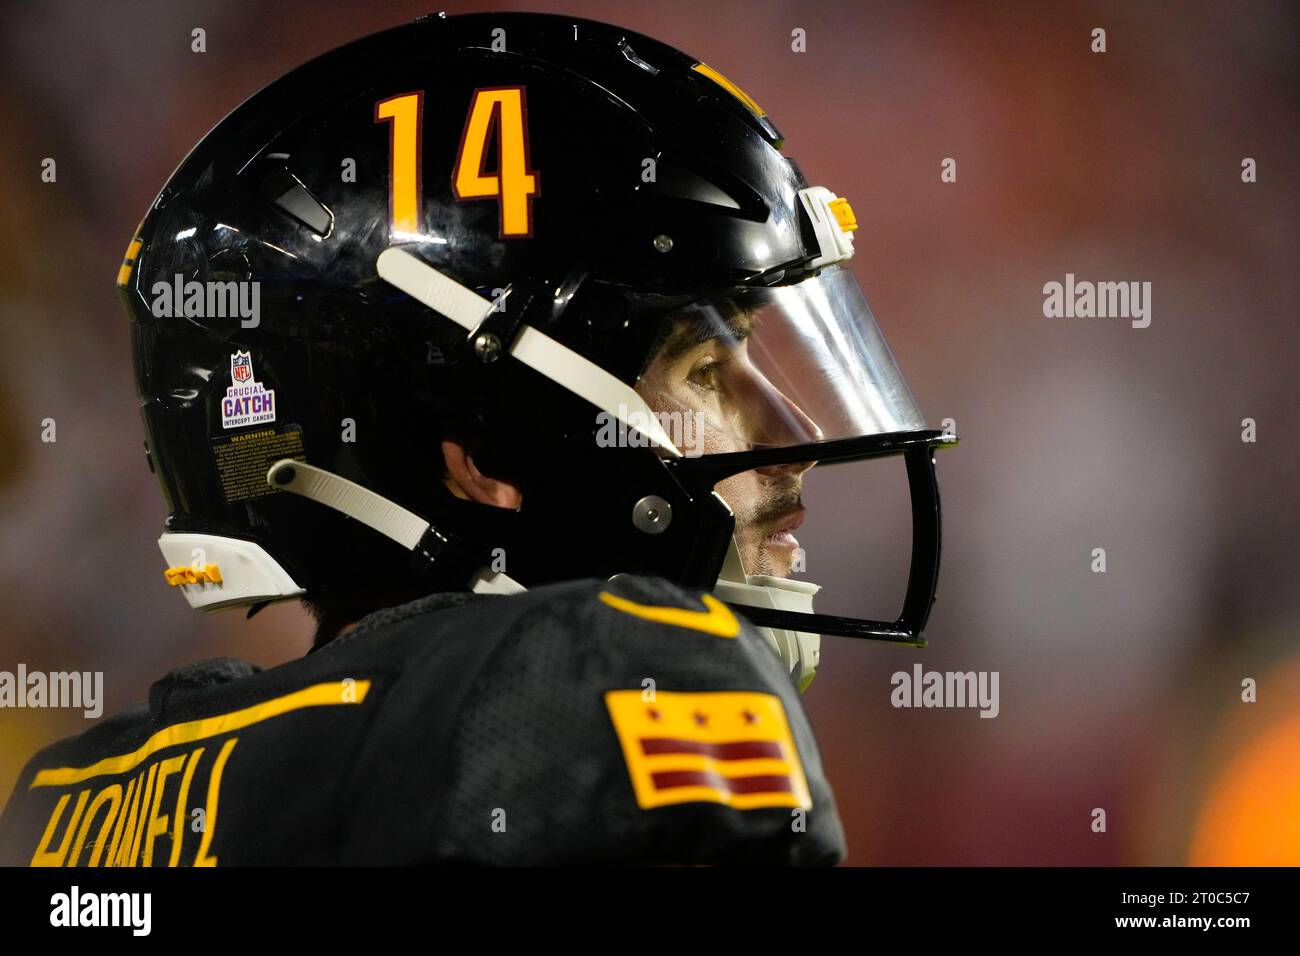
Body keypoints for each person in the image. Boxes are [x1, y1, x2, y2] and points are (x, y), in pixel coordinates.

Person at [0, 11, 955, 866]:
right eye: (704, 374)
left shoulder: (76, 810)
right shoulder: (615, 684)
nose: (797, 440)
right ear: (492, 457)